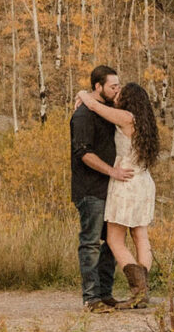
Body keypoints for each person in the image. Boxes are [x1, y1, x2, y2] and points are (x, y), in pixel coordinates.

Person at [85, 78, 160, 309]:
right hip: (143, 180)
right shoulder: (146, 121)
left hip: (126, 181)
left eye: (120, 94)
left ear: (128, 100)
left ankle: (139, 292)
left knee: (114, 239)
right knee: (140, 236)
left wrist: (82, 94)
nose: (116, 96)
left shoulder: (127, 118)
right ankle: (143, 292)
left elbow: (96, 107)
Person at [69, 65, 123, 312]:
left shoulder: (108, 110)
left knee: (111, 242)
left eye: (118, 85)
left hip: (111, 189)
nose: (117, 90)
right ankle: (91, 299)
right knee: (90, 242)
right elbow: (83, 153)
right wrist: (112, 171)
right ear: (98, 87)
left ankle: (105, 293)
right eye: (113, 86)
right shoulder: (82, 116)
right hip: (90, 189)